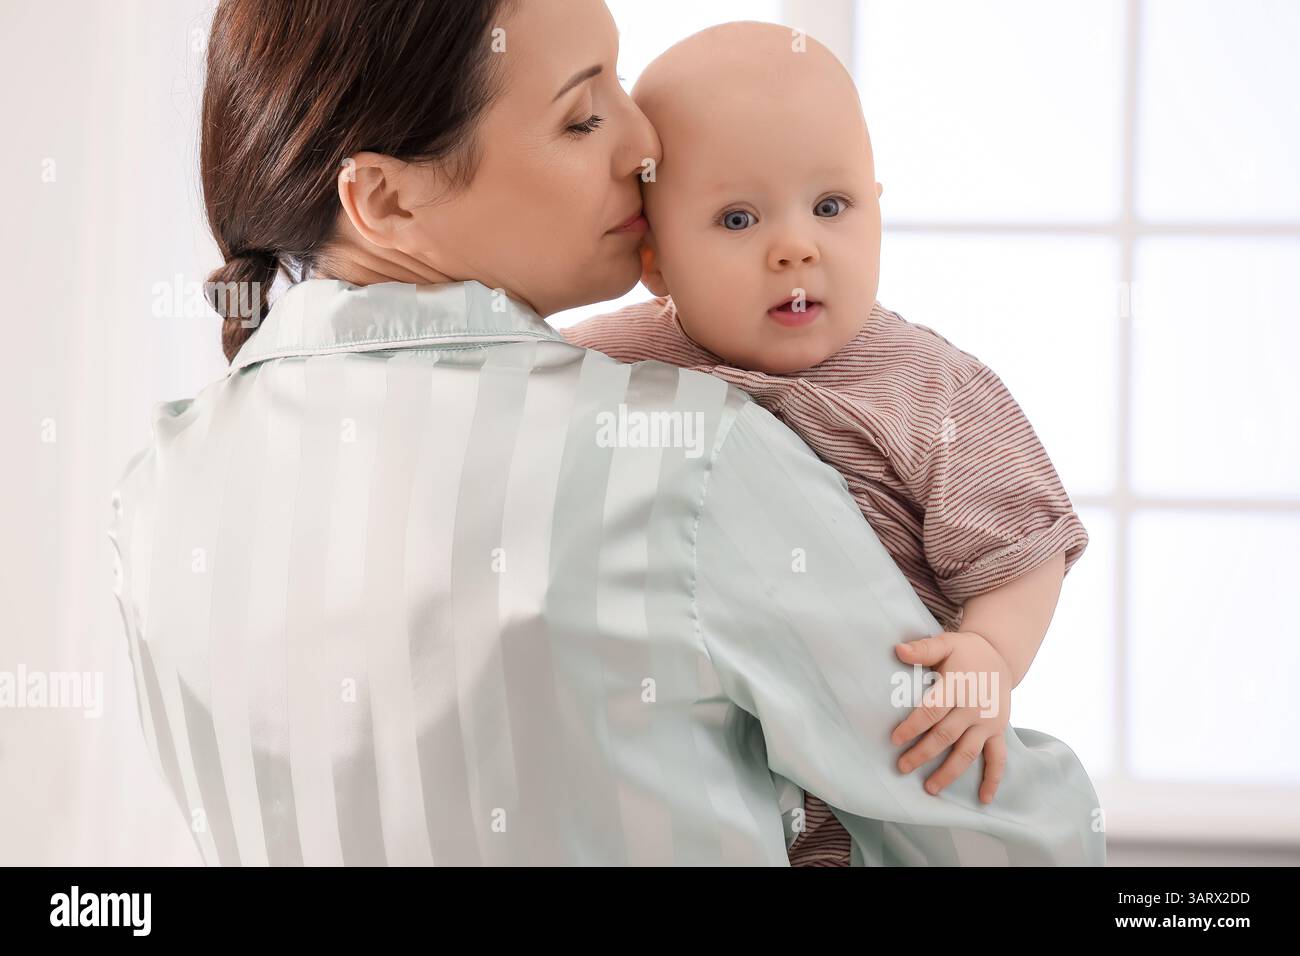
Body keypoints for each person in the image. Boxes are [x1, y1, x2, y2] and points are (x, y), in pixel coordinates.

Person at [108, 0, 1104, 865]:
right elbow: (995, 828)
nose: (644, 145)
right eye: (584, 115)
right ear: (386, 197)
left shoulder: (155, 493)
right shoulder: (692, 455)